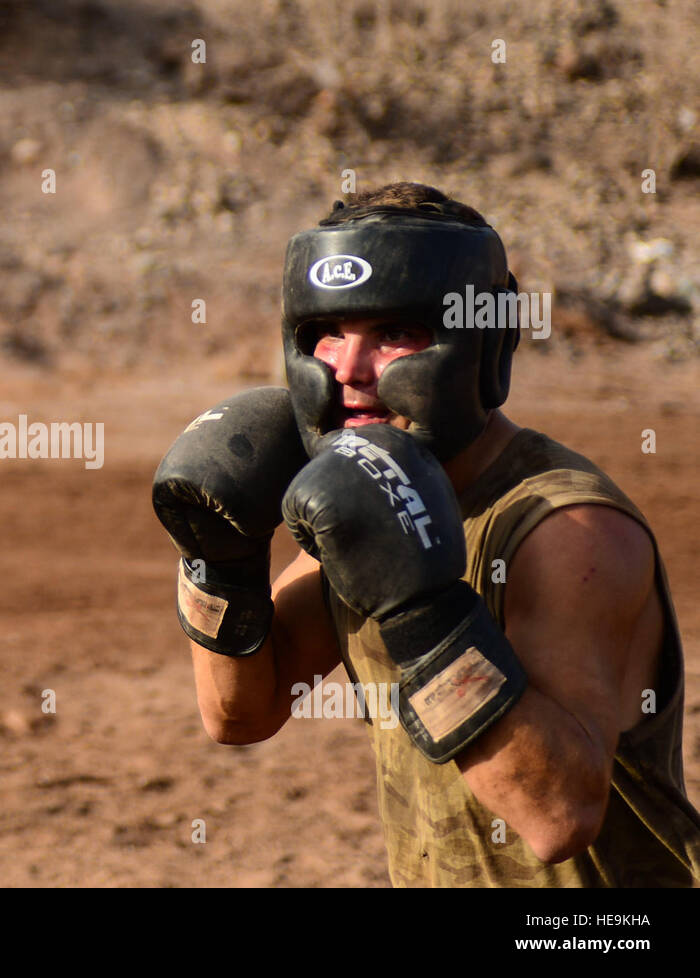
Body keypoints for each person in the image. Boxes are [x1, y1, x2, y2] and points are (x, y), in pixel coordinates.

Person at [153, 182, 700, 886]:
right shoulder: (367, 496)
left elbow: (560, 817)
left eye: (393, 335)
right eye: (328, 334)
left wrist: (425, 618)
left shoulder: (567, 532)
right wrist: (219, 568)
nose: (348, 372)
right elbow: (240, 714)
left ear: (482, 350)